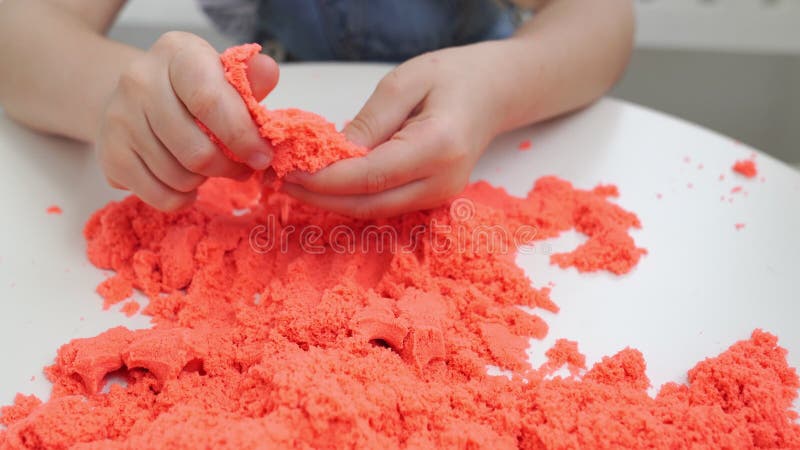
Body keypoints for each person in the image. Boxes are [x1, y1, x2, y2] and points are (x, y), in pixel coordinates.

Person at [0, 0, 634, 218]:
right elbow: (18, 32)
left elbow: (602, 18)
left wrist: (502, 83)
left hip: (490, 164)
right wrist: (122, 94)